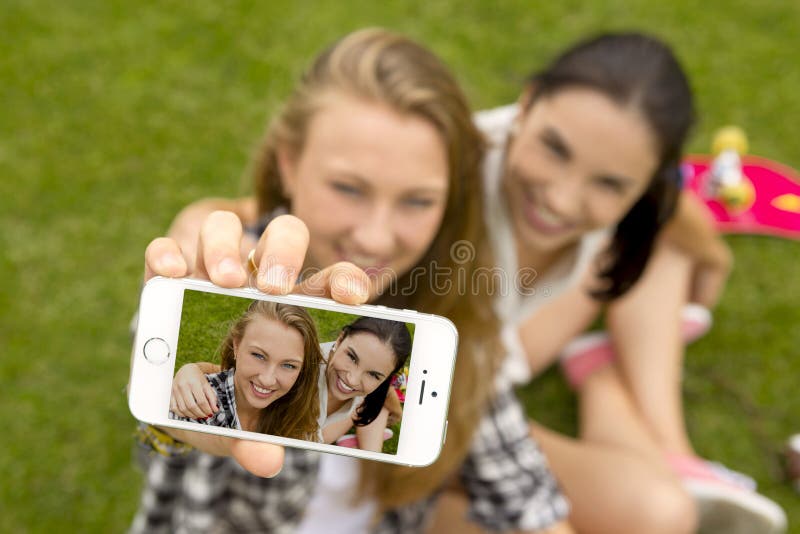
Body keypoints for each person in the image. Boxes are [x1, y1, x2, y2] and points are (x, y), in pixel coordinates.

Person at [131, 28, 572, 533]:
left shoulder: (447, 310)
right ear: (289, 162)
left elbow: (524, 494)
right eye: (348, 187)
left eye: (417, 200)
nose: (375, 238)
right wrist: (176, 419)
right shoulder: (221, 271)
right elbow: (165, 458)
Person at [431, 32, 784, 533]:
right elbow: (429, 402)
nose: (561, 198)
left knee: (661, 514)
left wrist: (713, 260)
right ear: (525, 104)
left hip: (491, 364)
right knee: (657, 516)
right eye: (555, 148)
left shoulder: (629, 188)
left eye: (609, 182)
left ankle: (643, 420)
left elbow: (676, 212)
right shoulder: (440, 186)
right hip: (433, 413)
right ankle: (633, 412)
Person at [171, 315, 412, 451]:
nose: (352, 378)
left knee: (371, 413)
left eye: (374, 374)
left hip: (336, 419)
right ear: (339, 340)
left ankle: (366, 447)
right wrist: (191, 370)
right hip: (311, 437)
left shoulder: (371, 384)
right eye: (352, 357)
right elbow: (232, 375)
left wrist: (395, 410)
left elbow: (381, 390)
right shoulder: (300, 365)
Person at [168, 300, 323, 441]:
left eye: (288, 365)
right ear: (236, 345)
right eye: (258, 356)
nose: (267, 380)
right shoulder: (192, 406)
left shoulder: (299, 411)